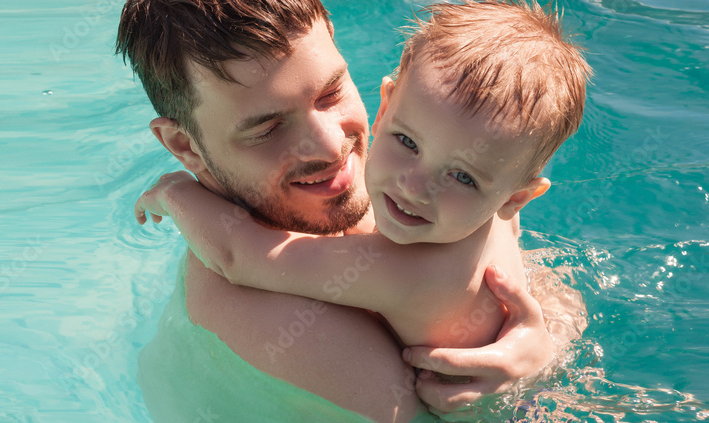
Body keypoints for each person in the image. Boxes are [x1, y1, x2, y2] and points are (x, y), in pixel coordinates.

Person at [116, 0, 585, 421]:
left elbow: (532, 282)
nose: (331, 146)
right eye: (267, 129)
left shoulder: (417, 159)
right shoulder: (275, 320)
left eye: (330, 93)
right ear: (183, 146)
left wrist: (540, 346)